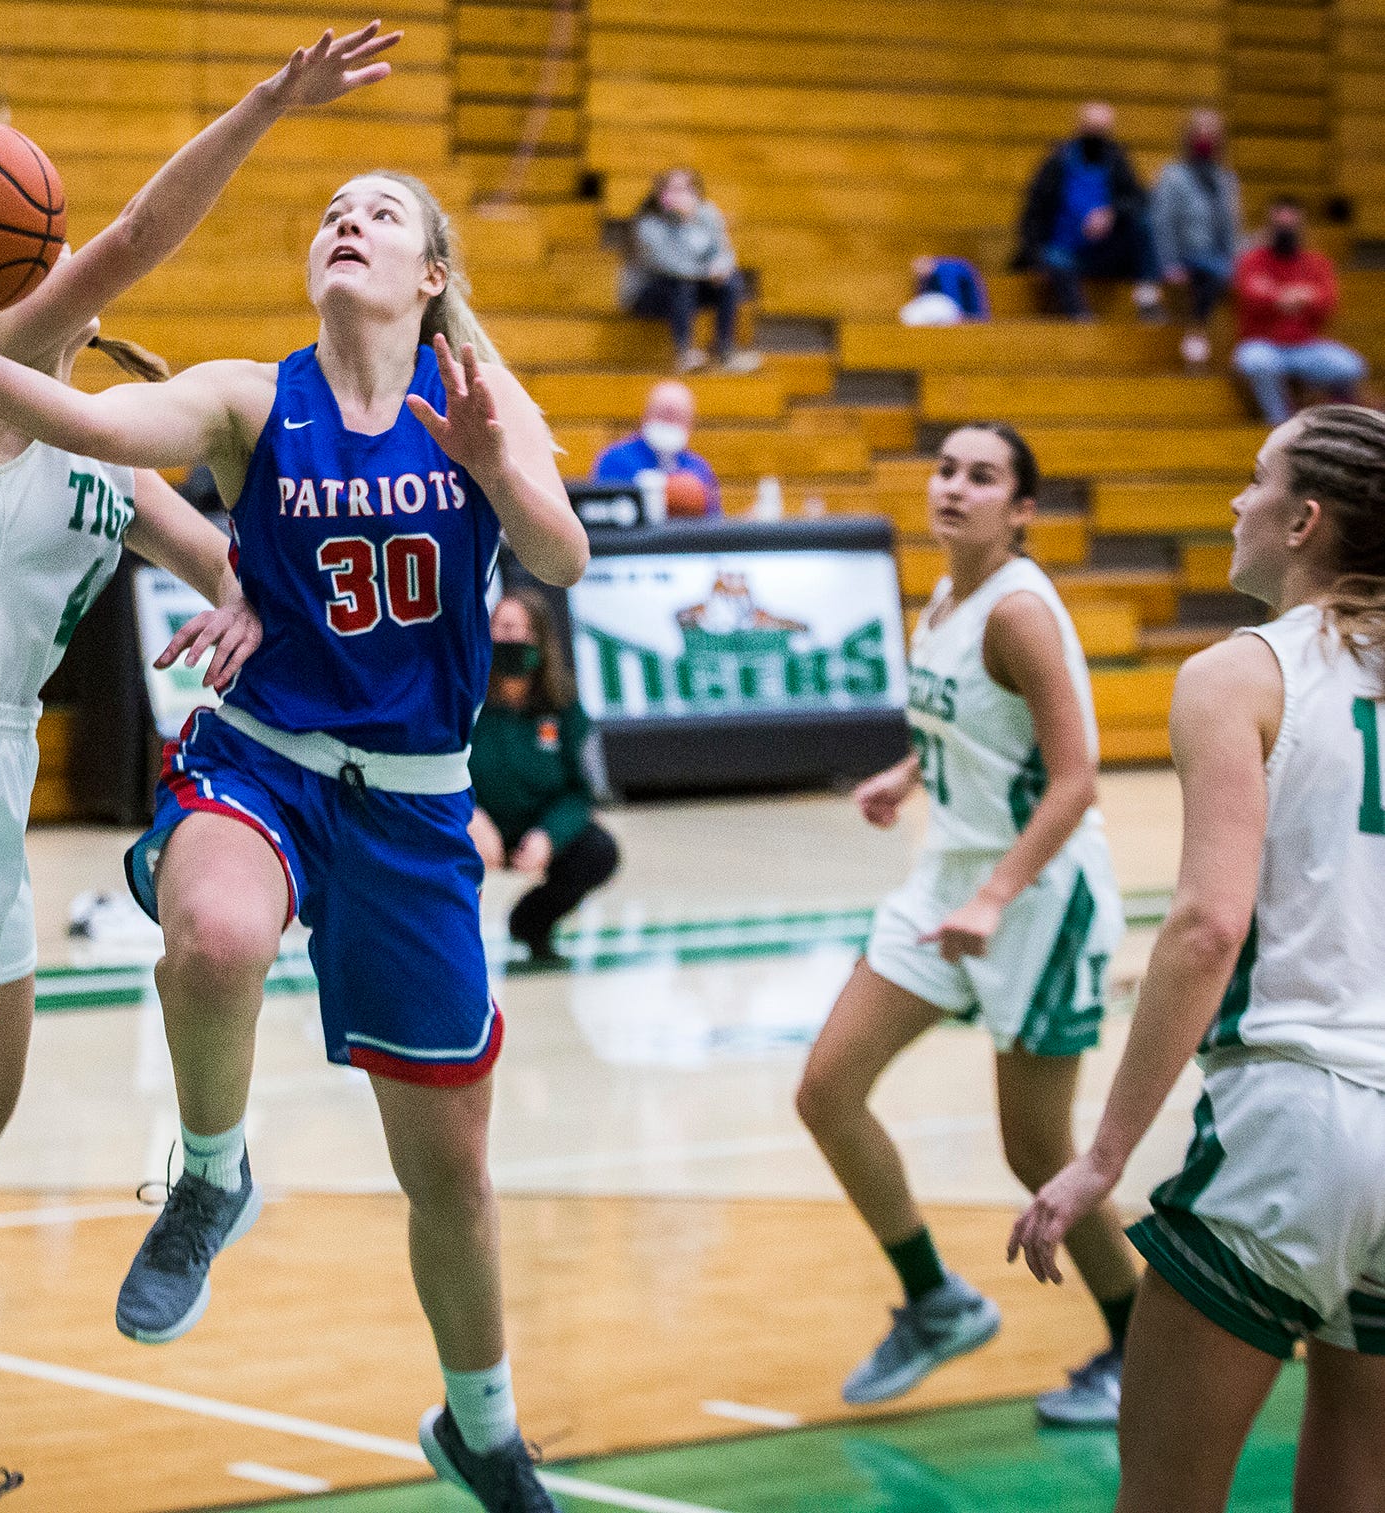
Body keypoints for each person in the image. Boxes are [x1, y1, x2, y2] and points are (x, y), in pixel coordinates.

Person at [0, 104, 590, 1513]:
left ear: (432, 272)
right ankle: (210, 1171)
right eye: (330, 209)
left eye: (378, 211)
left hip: (417, 812)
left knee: (449, 1170)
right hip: (260, 760)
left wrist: (501, 469)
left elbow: (557, 556)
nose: (346, 222)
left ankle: (483, 1425)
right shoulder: (253, 400)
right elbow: (86, 418)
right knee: (210, 938)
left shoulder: (486, 403)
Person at [0, 26, 397, 1513]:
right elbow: (139, 232)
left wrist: (251, 590)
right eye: (51, 244)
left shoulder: (92, 446)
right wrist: (271, 101)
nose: (83, 256)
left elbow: (225, 560)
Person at [1012, 405, 1385, 1512]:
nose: (1236, 500)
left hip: (1295, 1123)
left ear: (1305, 520)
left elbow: (1207, 926)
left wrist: (1102, 1158)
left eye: (1256, 479)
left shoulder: (1243, 673)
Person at [794, 424, 1140, 1426]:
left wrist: (995, 894)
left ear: (1021, 509)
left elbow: (1075, 780)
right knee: (827, 1088)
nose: (956, 487)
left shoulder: (1021, 611)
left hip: (1039, 898)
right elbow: (966, 721)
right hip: (947, 878)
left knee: (1037, 1151)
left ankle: (1137, 1340)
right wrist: (910, 773)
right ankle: (937, 1300)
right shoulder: (943, 593)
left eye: (983, 477)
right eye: (947, 469)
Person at [470, 588, 615, 963]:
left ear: (540, 639)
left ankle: (532, 922)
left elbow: (585, 791)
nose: (506, 639)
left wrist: (549, 836)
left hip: (535, 826)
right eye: (498, 628)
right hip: (473, 824)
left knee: (598, 852)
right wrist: (467, 814)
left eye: (517, 629)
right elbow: (435, 764)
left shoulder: (564, 704)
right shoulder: (465, 696)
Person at [1013, 102, 1163, 322]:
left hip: (1100, 252)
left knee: (1142, 222)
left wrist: (1112, 213)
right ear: (1080, 127)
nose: (1096, 137)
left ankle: (1147, 294)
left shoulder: (1115, 159)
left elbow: (1138, 199)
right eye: (1092, 129)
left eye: (1102, 131)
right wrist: (1035, 256)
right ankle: (1081, 319)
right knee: (1055, 260)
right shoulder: (1058, 160)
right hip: (1063, 252)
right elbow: (1032, 213)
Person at [1232, 199, 1368, 426]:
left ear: (1301, 226)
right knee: (1256, 362)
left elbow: (1328, 303)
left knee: (1351, 366)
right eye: (1279, 224)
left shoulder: (1317, 263)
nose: (1285, 230)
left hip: (1306, 346)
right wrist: (1291, 296)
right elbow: (1250, 297)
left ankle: (1327, 421)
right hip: (1262, 343)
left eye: (1291, 224)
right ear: (1269, 226)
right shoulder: (1251, 261)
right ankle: (1280, 425)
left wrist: (1291, 297)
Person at [618, 168, 760, 373]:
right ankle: (684, 353)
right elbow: (672, 266)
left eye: (687, 189)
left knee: (731, 280)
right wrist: (707, 270)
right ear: (661, 194)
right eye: (674, 189)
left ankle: (724, 350)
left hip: (690, 289)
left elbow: (724, 254)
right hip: (647, 294)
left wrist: (720, 267)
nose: (681, 195)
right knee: (681, 284)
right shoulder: (648, 224)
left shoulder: (706, 214)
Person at [1149, 108, 1243, 368]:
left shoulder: (1225, 179)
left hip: (1216, 256)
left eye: (1212, 132)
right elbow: (1162, 223)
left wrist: (1237, 263)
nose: (1206, 137)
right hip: (1186, 256)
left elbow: (1231, 228)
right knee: (1212, 272)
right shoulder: (1173, 175)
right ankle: (1197, 330)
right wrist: (1168, 263)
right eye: (1201, 131)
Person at [590, 379, 720, 515]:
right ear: (645, 416)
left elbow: (713, 522)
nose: (669, 423)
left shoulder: (700, 468)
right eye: (663, 414)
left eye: (677, 417)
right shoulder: (615, 459)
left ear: (690, 423)